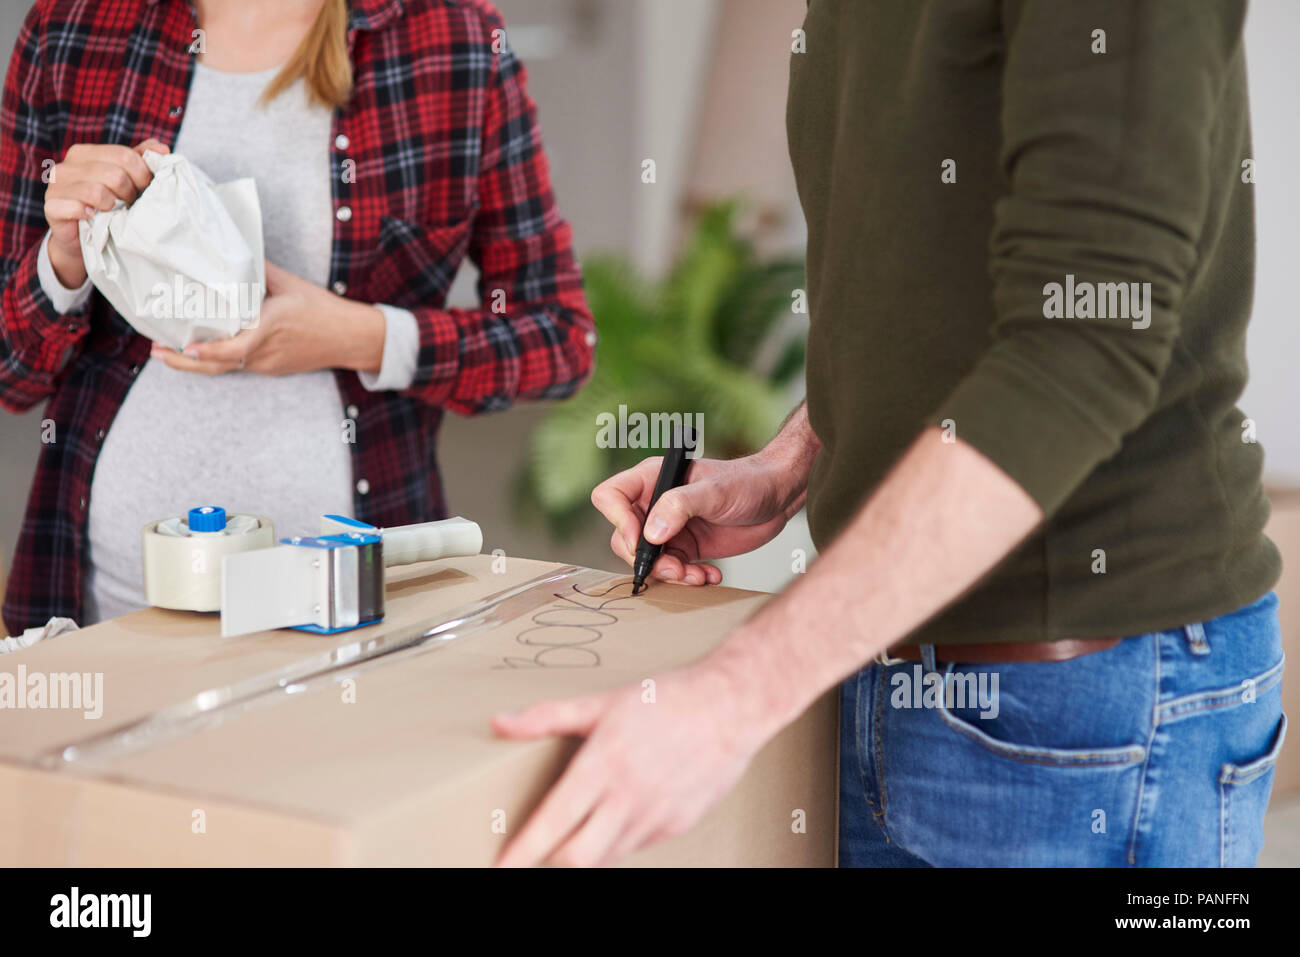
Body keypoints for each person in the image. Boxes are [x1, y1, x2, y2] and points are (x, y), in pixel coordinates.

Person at [493, 0, 1286, 867]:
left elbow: (1082, 347)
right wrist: (792, 462)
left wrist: (733, 694)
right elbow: (928, 295)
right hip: (889, 664)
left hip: (1090, 701)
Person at [0, 0, 593, 631]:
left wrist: (359, 337)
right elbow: (11, 371)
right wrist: (63, 260)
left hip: (355, 610)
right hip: (111, 603)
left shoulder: (456, 38)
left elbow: (557, 339)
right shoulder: (72, 25)